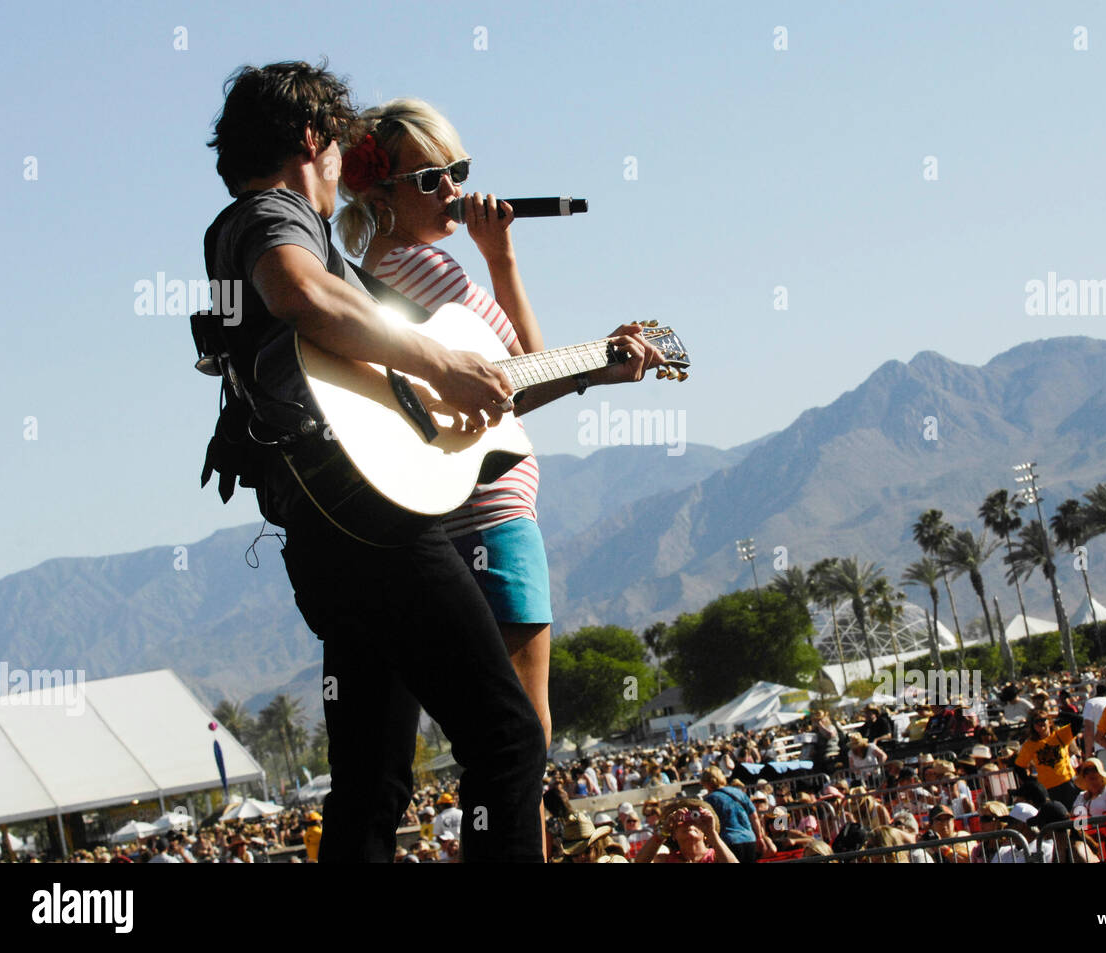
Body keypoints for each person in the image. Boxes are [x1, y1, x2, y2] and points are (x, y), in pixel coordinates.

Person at [202, 62, 556, 862]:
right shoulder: (271, 214)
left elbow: (336, 351)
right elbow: (301, 294)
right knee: (507, 740)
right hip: (375, 528)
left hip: (325, 533)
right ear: (311, 142)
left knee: (370, 778)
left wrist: (434, 393)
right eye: (338, 151)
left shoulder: (272, 227)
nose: (339, 175)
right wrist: (440, 363)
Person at [336, 98, 662, 769]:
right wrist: (501, 257)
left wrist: (593, 372)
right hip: (494, 513)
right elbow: (525, 369)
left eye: (456, 171)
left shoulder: (370, 277)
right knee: (525, 727)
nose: (453, 192)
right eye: (430, 180)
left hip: (444, 518)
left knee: (497, 731)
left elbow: (496, 394)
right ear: (379, 194)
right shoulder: (428, 269)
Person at [632, 798, 739, 863]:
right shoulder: (664, 860)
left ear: (704, 834)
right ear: (673, 835)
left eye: (694, 818)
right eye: (682, 820)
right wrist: (663, 832)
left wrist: (712, 833)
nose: (688, 823)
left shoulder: (717, 857)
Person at [699, 767, 767, 862]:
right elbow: (754, 817)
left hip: (728, 842)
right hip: (749, 839)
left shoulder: (710, 799)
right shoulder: (739, 792)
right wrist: (759, 837)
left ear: (706, 783)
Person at [1015, 708, 1078, 805]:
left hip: (1067, 782)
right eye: (1036, 721)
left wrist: (1056, 714)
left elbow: (1078, 720)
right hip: (1048, 788)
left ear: (1049, 722)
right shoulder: (1029, 745)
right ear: (1033, 726)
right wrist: (1032, 781)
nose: (1040, 723)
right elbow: (1019, 767)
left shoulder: (1059, 735)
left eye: (1043, 719)